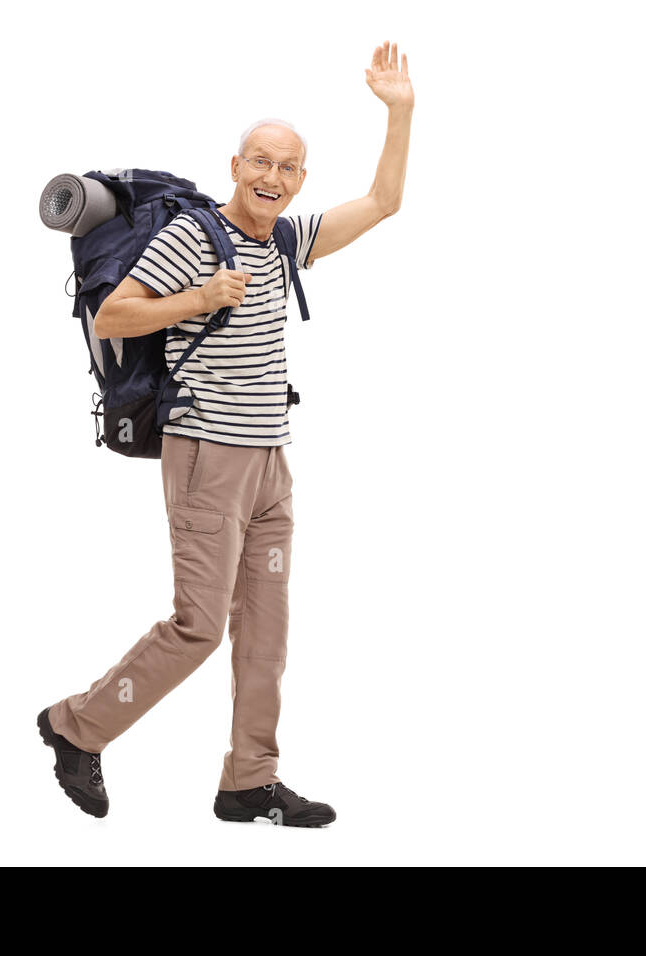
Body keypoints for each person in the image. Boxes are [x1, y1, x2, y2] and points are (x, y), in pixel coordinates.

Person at [37, 41, 413, 827]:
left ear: (300, 179)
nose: (272, 178)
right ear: (236, 165)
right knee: (199, 627)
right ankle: (76, 726)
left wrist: (400, 110)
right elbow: (114, 316)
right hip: (207, 456)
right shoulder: (192, 238)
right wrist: (202, 295)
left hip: (271, 460)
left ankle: (249, 780)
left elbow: (382, 203)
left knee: (265, 633)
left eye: (288, 167)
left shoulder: (285, 241)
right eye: (260, 163)